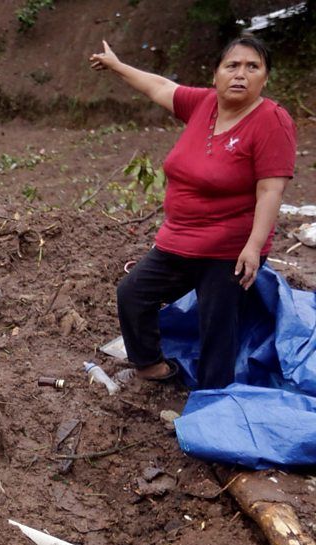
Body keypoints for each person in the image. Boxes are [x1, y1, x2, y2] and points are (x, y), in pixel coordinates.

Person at [89, 36, 296, 389]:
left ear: (265, 78)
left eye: (252, 67)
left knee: (217, 326)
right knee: (132, 293)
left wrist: (253, 245)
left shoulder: (271, 122)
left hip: (228, 249)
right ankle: (151, 366)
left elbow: (270, 190)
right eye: (232, 66)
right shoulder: (204, 104)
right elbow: (160, 87)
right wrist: (118, 67)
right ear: (215, 74)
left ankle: (212, 403)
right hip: (179, 239)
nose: (240, 74)